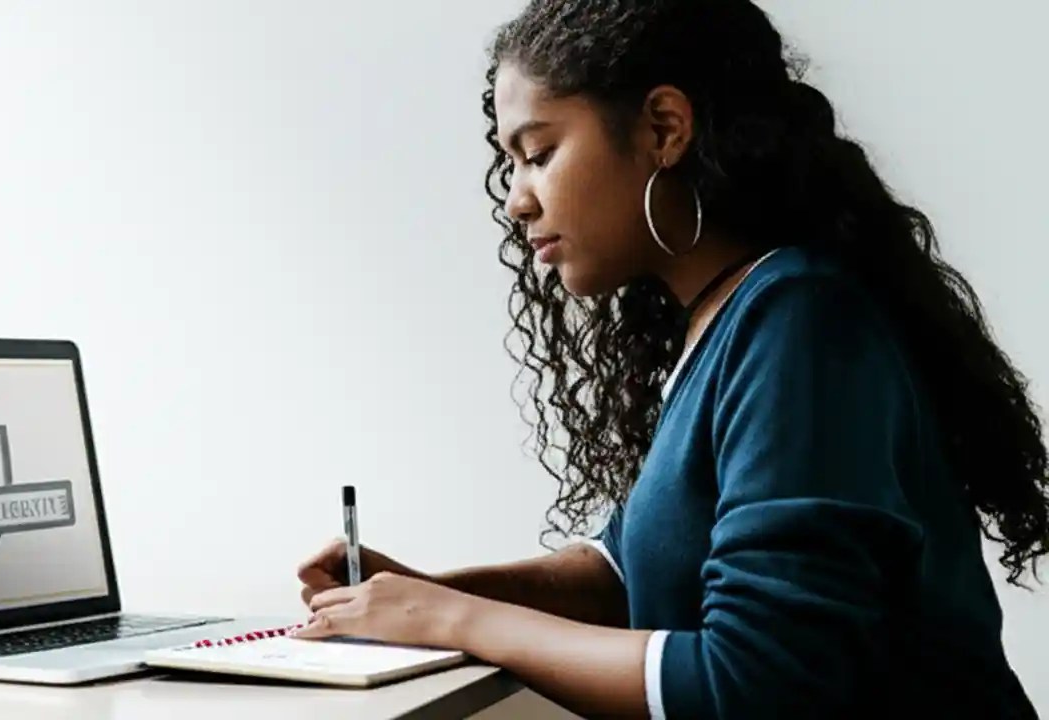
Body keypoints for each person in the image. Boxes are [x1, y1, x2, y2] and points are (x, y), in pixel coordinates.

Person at [294, 1, 1046, 718]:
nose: (517, 200)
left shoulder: (801, 322)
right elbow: (629, 572)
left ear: (664, 127)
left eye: (539, 153)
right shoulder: (727, 321)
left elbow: (753, 685)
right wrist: (418, 594)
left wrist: (456, 620)